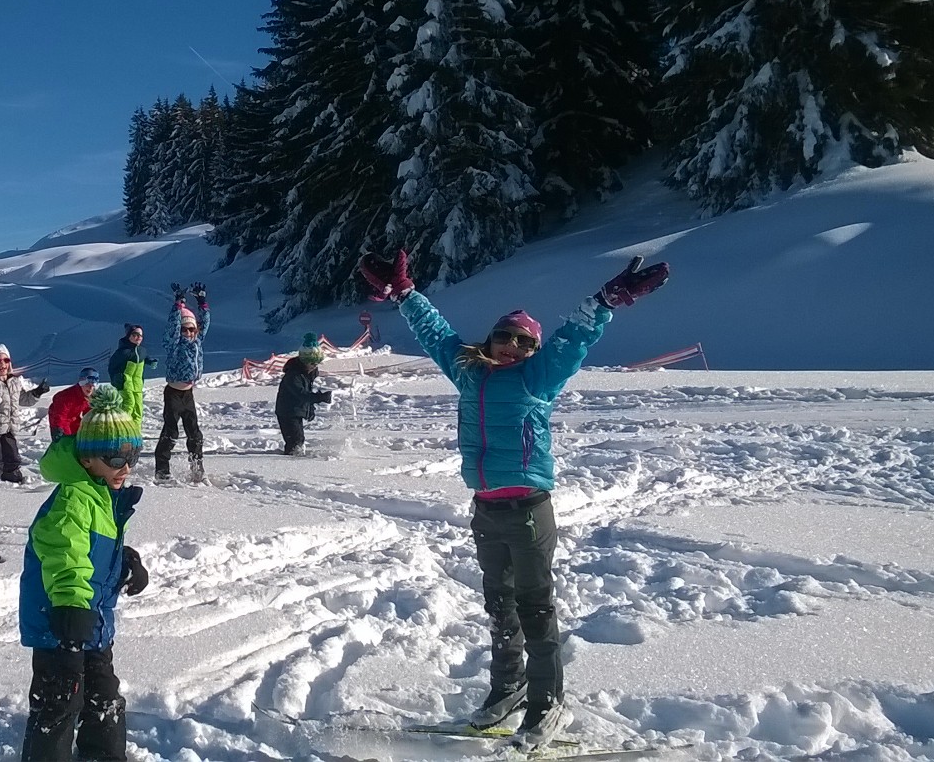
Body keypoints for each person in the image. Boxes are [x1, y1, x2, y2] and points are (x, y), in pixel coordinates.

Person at [358, 250, 670, 750]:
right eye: (504, 336)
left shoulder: (537, 378)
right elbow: (434, 332)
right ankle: (508, 691)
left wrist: (606, 301)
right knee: (500, 606)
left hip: (528, 510)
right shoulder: (469, 373)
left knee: (535, 608)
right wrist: (404, 293)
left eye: (523, 342)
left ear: (532, 351)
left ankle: (548, 705)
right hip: (486, 509)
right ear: (491, 339)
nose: (510, 346)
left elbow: (573, 340)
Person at [18, 382, 150, 762]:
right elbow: (64, 552)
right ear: (88, 458)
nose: (124, 466)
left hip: (92, 623)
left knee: (104, 696)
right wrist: (72, 606)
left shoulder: (102, 493)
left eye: (132, 454)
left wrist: (124, 559)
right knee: (60, 701)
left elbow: (93, 548)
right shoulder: (74, 497)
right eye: (114, 455)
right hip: (61, 622)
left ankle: (103, 755)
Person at [154, 282, 210, 483]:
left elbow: (205, 322)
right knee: (171, 432)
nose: (188, 333)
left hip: (188, 393)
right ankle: (162, 469)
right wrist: (179, 304)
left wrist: (202, 302)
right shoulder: (174, 344)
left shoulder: (197, 341)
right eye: (185, 330)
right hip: (173, 393)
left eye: (191, 330)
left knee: (194, 432)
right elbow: (172, 327)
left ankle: (197, 468)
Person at [0, 343, 50, 487]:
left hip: (8, 427)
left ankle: (11, 474)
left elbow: (23, 399)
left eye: (6, 360)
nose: (2, 364)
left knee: (13, 456)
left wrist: (37, 392)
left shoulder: (14, 382)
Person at [275, 333, 333, 456]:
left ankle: (295, 456)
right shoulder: (294, 376)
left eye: (317, 363)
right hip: (287, 412)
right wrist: (320, 398)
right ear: (305, 361)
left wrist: (309, 409)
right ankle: (290, 462)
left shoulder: (306, 374)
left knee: (299, 438)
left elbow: (306, 396)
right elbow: (302, 395)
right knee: (295, 441)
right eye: (312, 363)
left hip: (296, 411)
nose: (315, 366)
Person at [107, 324, 158, 427]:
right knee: (128, 404)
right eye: (135, 334)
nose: (138, 337)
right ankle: (122, 428)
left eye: (140, 335)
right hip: (125, 382)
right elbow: (112, 366)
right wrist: (116, 378)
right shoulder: (123, 352)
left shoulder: (141, 350)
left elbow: (144, 357)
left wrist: (150, 361)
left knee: (138, 407)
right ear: (129, 336)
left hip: (137, 383)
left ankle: (135, 432)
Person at [49, 367, 99, 440]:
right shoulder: (67, 397)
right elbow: (60, 414)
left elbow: (88, 412)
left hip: (74, 418)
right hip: (59, 420)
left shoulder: (89, 397)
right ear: (81, 384)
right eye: (87, 385)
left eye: (93, 386)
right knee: (66, 439)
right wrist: (58, 427)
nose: (90, 388)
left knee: (80, 435)